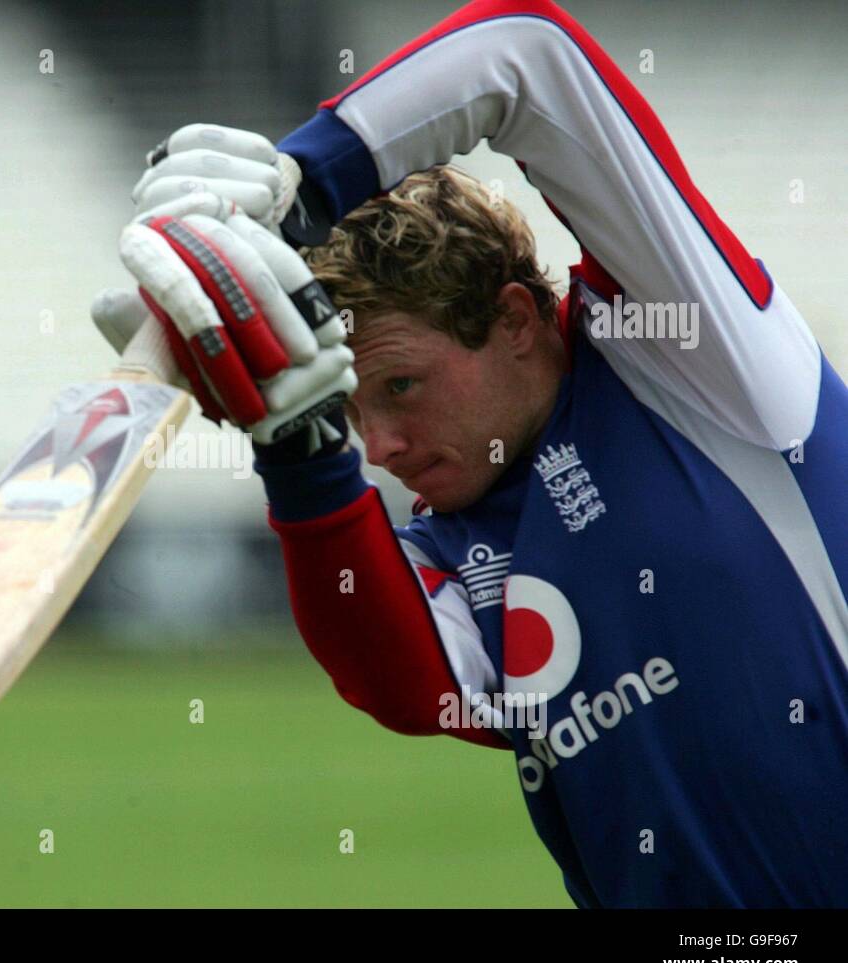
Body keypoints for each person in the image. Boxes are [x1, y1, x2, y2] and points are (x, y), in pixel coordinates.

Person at [94, 0, 848, 908]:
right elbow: (406, 687)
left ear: (516, 321)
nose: (380, 446)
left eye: (402, 387)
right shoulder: (444, 549)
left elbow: (526, 51)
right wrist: (298, 453)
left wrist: (301, 179)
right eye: (349, 410)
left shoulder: (696, 357)